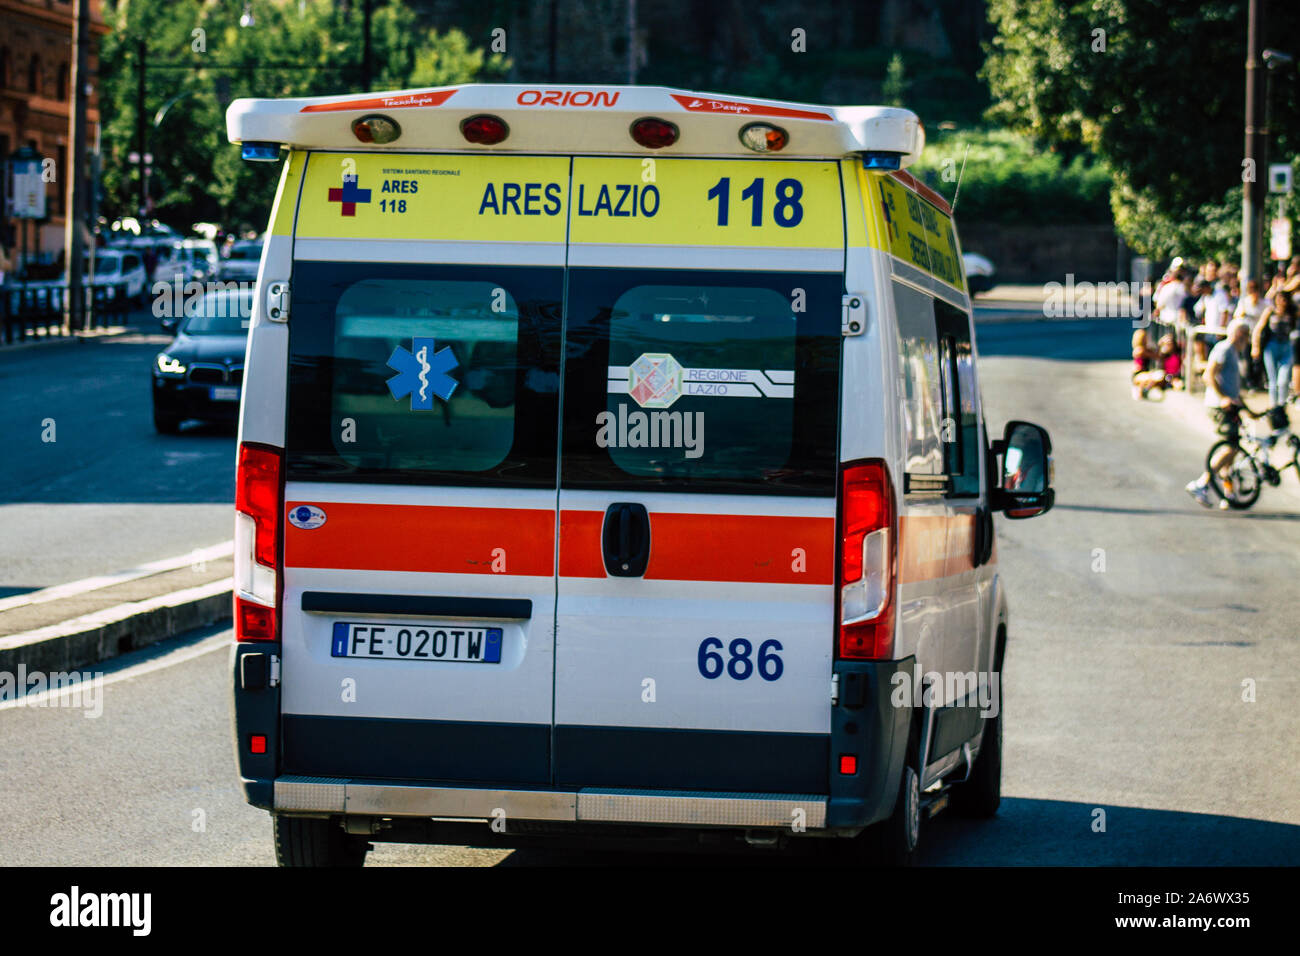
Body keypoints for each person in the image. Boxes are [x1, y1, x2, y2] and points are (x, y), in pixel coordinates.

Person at [1186, 319, 1259, 508]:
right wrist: (1223, 398)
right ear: (1234, 333)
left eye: (1247, 334)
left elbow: (1233, 386)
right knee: (1230, 447)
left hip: (1229, 405)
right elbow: (1209, 375)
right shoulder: (1224, 349)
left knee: (1232, 450)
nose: (1245, 338)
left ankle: (1227, 492)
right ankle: (1202, 483)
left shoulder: (1235, 353)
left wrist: (1247, 409)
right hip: (1219, 406)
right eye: (1243, 334)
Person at [1252, 289, 1297, 405]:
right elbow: (1258, 329)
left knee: (1283, 379)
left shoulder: (1292, 312)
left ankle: (1282, 405)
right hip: (1272, 345)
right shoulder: (1270, 311)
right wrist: (1255, 346)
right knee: (1273, 379)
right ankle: (1274, 406)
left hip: (1286, 345)